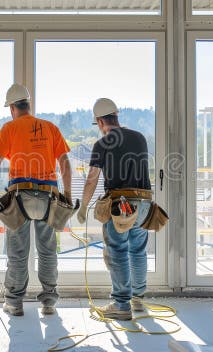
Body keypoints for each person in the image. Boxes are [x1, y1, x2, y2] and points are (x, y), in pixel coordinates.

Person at [0, 84, 73, 317]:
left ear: (12, 108)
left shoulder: (10, 128)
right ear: (28, 104)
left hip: (20, 197)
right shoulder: (50, 127)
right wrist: (68, 193)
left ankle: (14, 302)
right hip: (47, 196)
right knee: (47, 251)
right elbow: (64, 163)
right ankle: (49, 301)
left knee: (17, 252)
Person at [78, 98, 152, 320]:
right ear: (116, 116)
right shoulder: (140, 138)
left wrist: (83, 206)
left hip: (121, 206)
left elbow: (92, 179)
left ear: (100, 122)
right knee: (138, 250)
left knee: (118, 251)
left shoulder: (102, 144)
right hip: (145, 203)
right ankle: (138, 299)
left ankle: (121, 304)